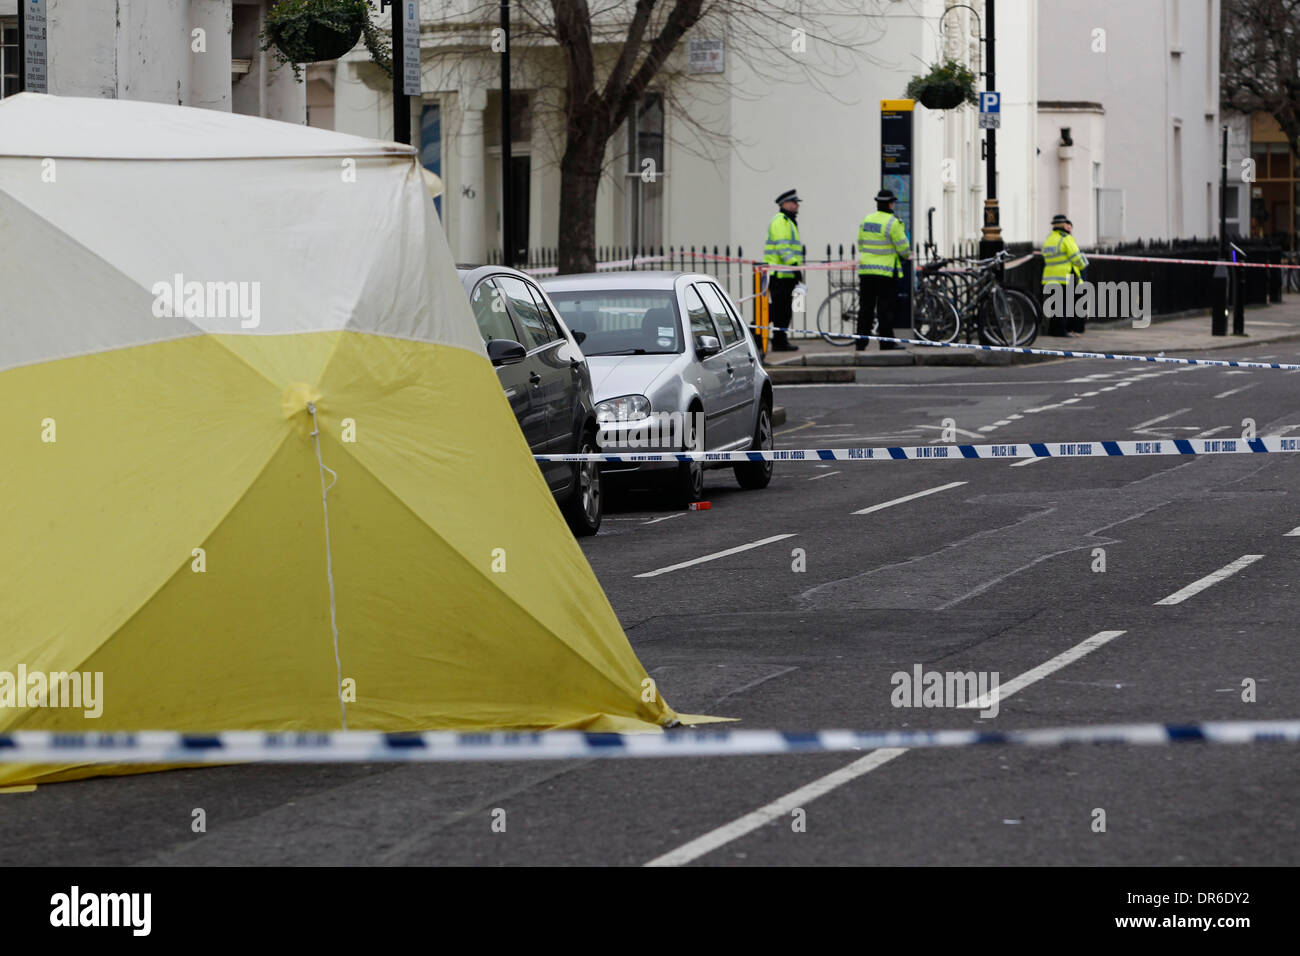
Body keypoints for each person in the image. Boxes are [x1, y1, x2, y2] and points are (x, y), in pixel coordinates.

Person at [856, 189, 911, 351]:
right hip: (885, 273)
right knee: (885, 309)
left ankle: (860, 342)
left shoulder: (867, 220)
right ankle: (886, 343)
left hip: (866, 272)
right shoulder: (893, 222)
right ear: (890, 203)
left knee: (865, 309)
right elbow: (904, 249)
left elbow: (860, 244)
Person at [764, 189, 804, 351]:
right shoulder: (781, 221)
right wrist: (794, 265)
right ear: (785, 204)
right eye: (794, 203)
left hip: (785, 274)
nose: (797, 206)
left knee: (784, 310)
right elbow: (783, 247)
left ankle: (780, 340)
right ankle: (758, 327)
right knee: (780, 310)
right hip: (779, 274)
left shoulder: (788, 221)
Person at [1041, 214, 1089, 336]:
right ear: (1064, 225)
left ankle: (1053, 330)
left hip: (1049, 277)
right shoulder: (1065, 238)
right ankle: (1061, 331)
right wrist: (1083, 264)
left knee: (1054, 306)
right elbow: (1076, 257)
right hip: (1063, 277)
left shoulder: (1049, 239)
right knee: (1063, 306)